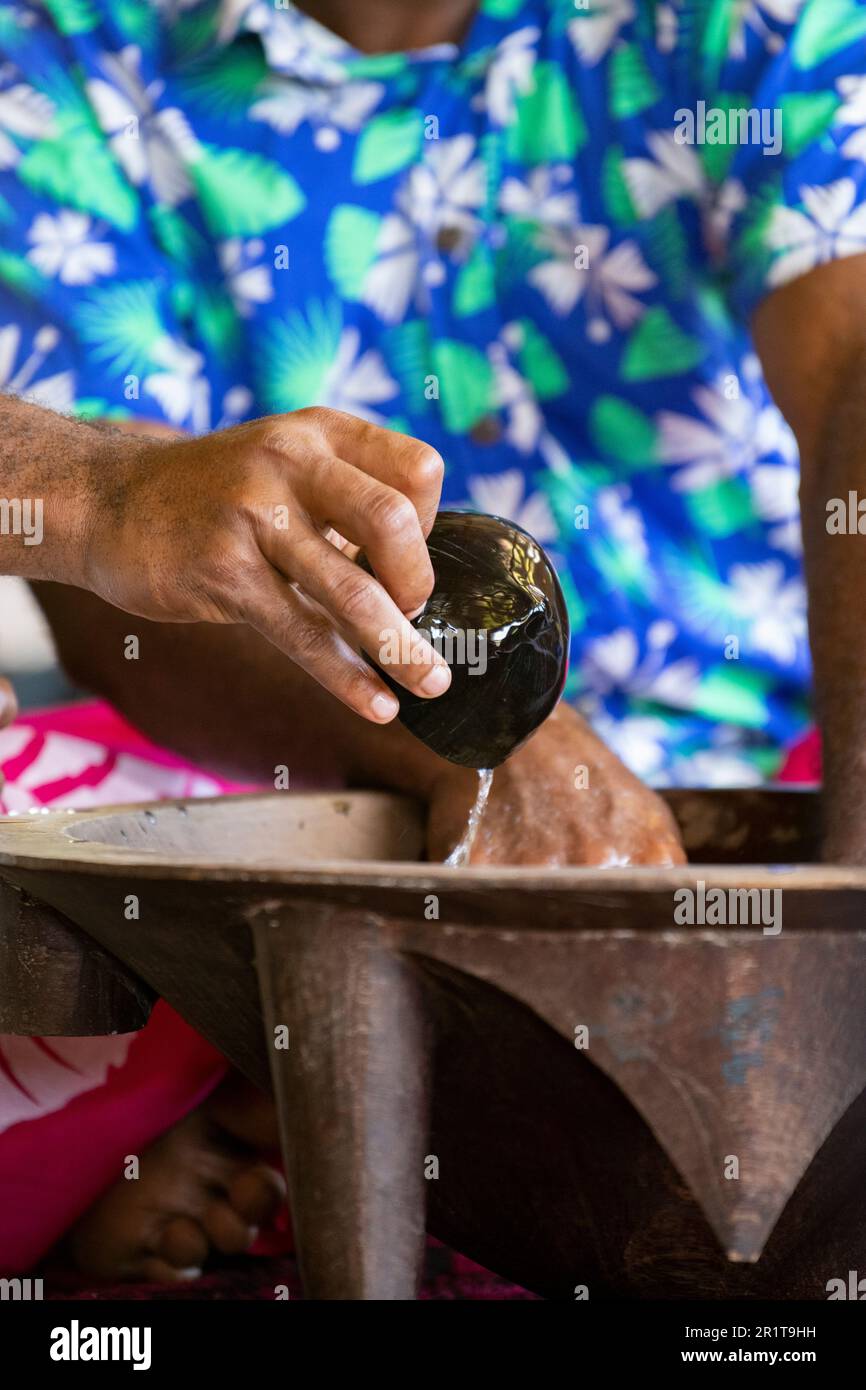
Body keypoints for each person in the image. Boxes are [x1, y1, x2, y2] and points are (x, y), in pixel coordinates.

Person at [0, 0, 863, 1282]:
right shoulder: (67, 45)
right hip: (288, 765)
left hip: (752, 765)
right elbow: (107, 589)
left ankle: (275, 1114)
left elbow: (850, 357)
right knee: (49, 839)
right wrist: (467, 747)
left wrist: (845, 892)